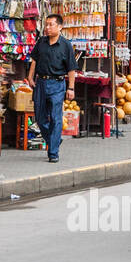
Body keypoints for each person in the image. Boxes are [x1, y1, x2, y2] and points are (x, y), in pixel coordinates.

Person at [26, 13, 77, 164]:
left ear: (60, 27)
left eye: (51, 25)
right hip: (41, 82)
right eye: (46, 24)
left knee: (56, 118)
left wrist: (71, 88)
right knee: (40, 118)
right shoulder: (41, 42)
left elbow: (71, 69)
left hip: (57, 84)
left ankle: (53, 152)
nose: (47, 28)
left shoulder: (66, 45)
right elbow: (34, 60)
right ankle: (54, 139)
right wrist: (30, 76)